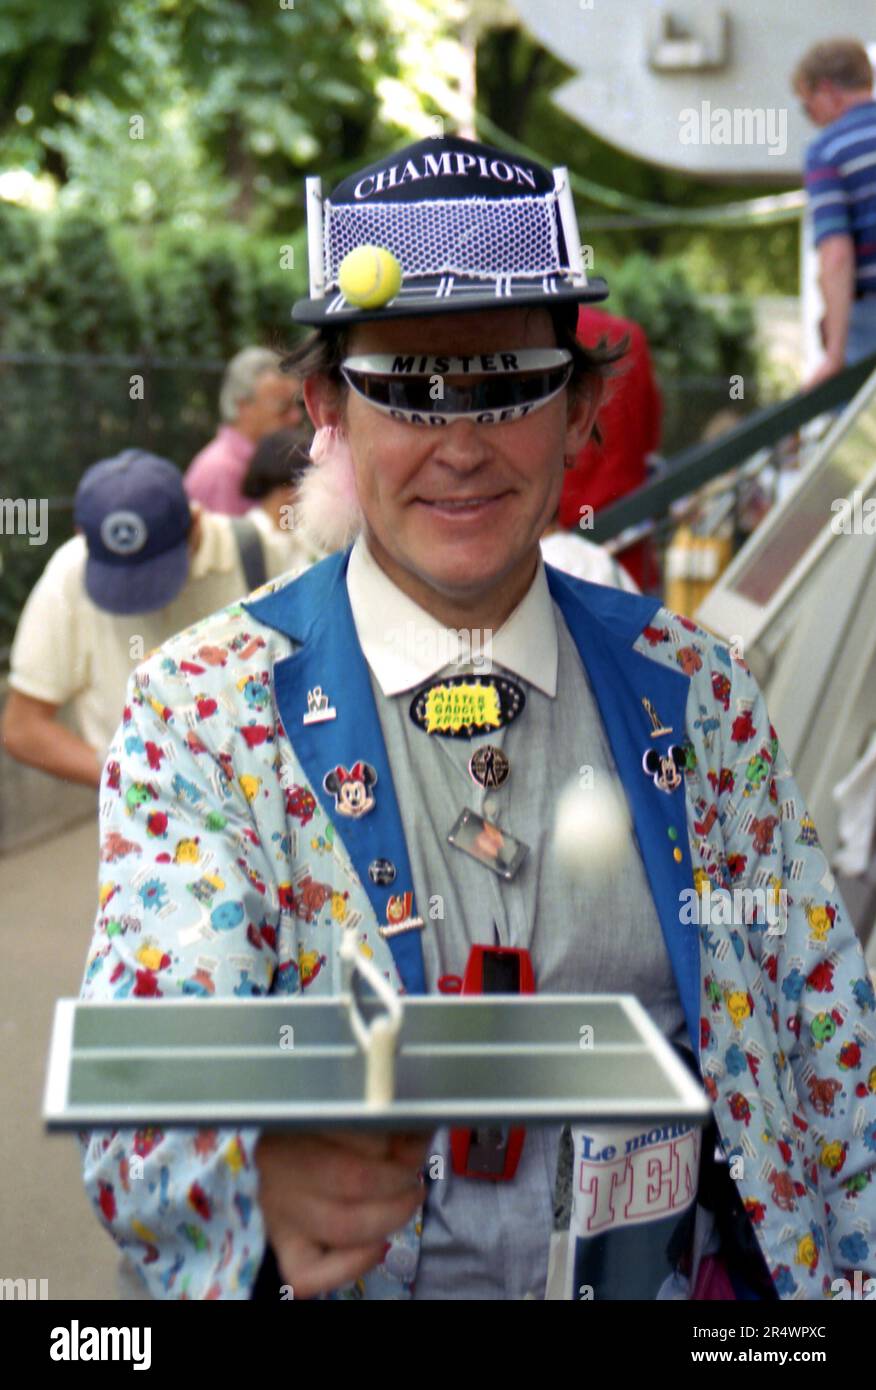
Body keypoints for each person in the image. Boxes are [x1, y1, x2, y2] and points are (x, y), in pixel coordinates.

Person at [77, 135, 876, 1302]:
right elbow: (148, 1075)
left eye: (506, 380)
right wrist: (248, 1165)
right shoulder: (202, 711)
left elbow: (829, 1051)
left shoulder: (700, 695)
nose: (460, 443)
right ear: (324, 410)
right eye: (407, 387)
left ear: (584, 406)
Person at [2, 449, 311, 787]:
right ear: (82, 537)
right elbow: (22, 726)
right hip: (149, 823)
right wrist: (133, 780)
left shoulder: (259, 554)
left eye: (154, 574)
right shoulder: (70, 575)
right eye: (121, 579)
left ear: (194, 523)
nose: (139, 598)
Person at [557, 305, 662, 591]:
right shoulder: (629, 336)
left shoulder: (531, 330)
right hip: (625, 555)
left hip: (552, 553)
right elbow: (650, 437)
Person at [792, 39, 876, 386]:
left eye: (806, 107)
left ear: (826, 90)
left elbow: (837, 256)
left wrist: (834, 354)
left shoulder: (827, 152)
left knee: (854, 423)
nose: (811, 119)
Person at [184, 346, 304, 515]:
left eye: (298, 405)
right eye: (283, 408)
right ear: (243, 407)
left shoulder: (264, 461)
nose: (296, 416)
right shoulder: (222, 472)